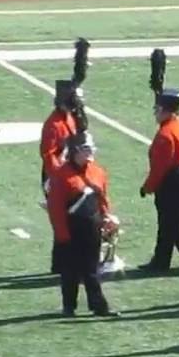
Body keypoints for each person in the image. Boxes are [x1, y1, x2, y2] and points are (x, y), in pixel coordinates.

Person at [139, 51, 179, 275]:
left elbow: (160, 167)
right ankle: (161, 259)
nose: (155, 113)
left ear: (166, 110)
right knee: (168, 222)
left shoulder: (166, 134)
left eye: (157, 109)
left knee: (174, 223)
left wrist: (148, 186)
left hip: (172, 179)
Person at [47, 116, 119, 318]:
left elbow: (102, 198)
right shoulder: (62, 175)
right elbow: (56, 208)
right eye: (86, 149)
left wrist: (107, 218)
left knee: (92, 269)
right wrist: (62, 234)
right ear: (76, 151)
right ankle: (69, 307)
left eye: (91, 148)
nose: (90, 152)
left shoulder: (98, 172)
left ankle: (99, 306)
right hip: (71, 228)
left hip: (92, 227)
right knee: (70, 271)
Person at [41, 38, 88, 274]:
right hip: (57, 175)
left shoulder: (67, 118)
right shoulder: (53, 125)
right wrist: (57, 178)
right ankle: (60, 264)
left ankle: (64, 262)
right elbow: (49, 155)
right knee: (61, 220)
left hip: (67, 173)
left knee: (69, 220)